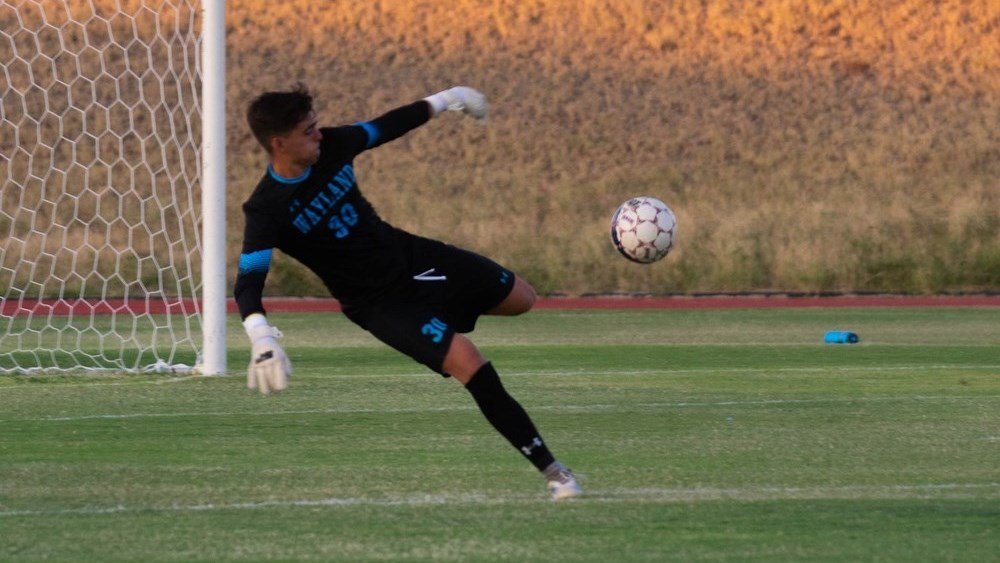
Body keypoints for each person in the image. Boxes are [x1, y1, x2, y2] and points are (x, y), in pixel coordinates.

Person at [234, 83, 582, 500]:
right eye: (308, 131)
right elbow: (249, 279)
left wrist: (446, 99)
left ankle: (439, 325)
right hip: (379, 304)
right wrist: (261, 335)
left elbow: (387, 126)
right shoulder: (265, 208)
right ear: (280, 143)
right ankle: (554, 472)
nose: (319, 134)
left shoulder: (336, 144)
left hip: (411, 257)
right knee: (469, 362)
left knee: (523, 299)